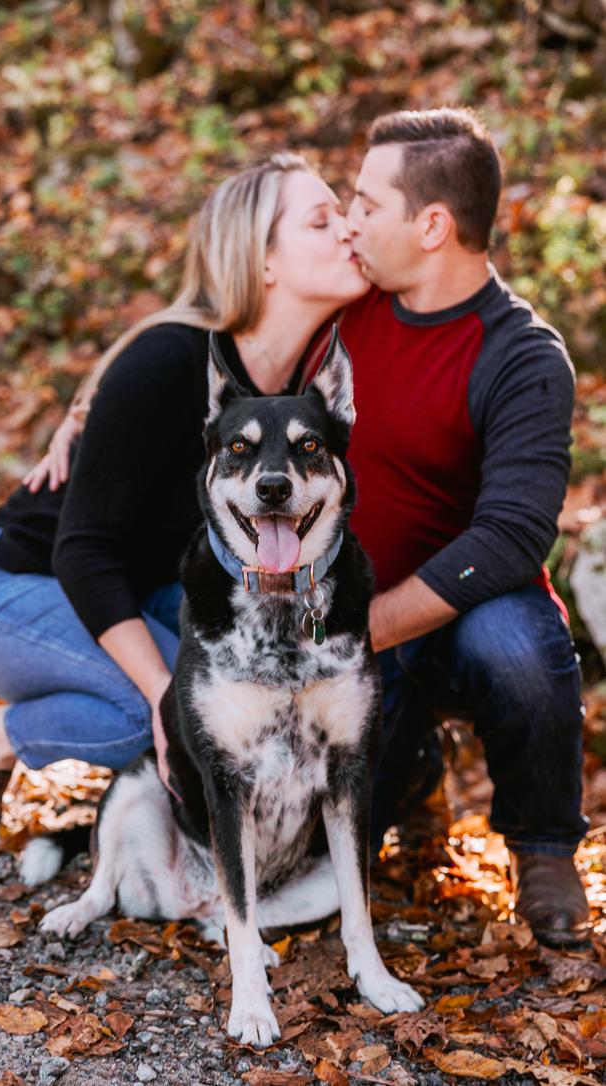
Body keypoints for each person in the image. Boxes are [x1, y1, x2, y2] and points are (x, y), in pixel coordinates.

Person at [0, 153, 368, 843]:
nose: (349, 230)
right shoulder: (168, 361)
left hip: (142, 590)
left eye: (346, 215)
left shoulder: (302, 387)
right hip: (20, 585)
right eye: (322, 221)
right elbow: (82, 551)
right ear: (262, 260)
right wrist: (165, 693)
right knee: (166, 712)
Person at [323, 107, 587, 948]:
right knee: (321, 879)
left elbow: (513, 536)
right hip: (343, 609)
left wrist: (370, 625)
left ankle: (544, 848)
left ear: (432, 225)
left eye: (368, 203)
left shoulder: (521, 356)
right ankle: (413, 779)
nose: (349, 220)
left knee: (517, 648)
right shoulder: (344, 305)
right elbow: (216, 326)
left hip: (465, 611)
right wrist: (88, 404)